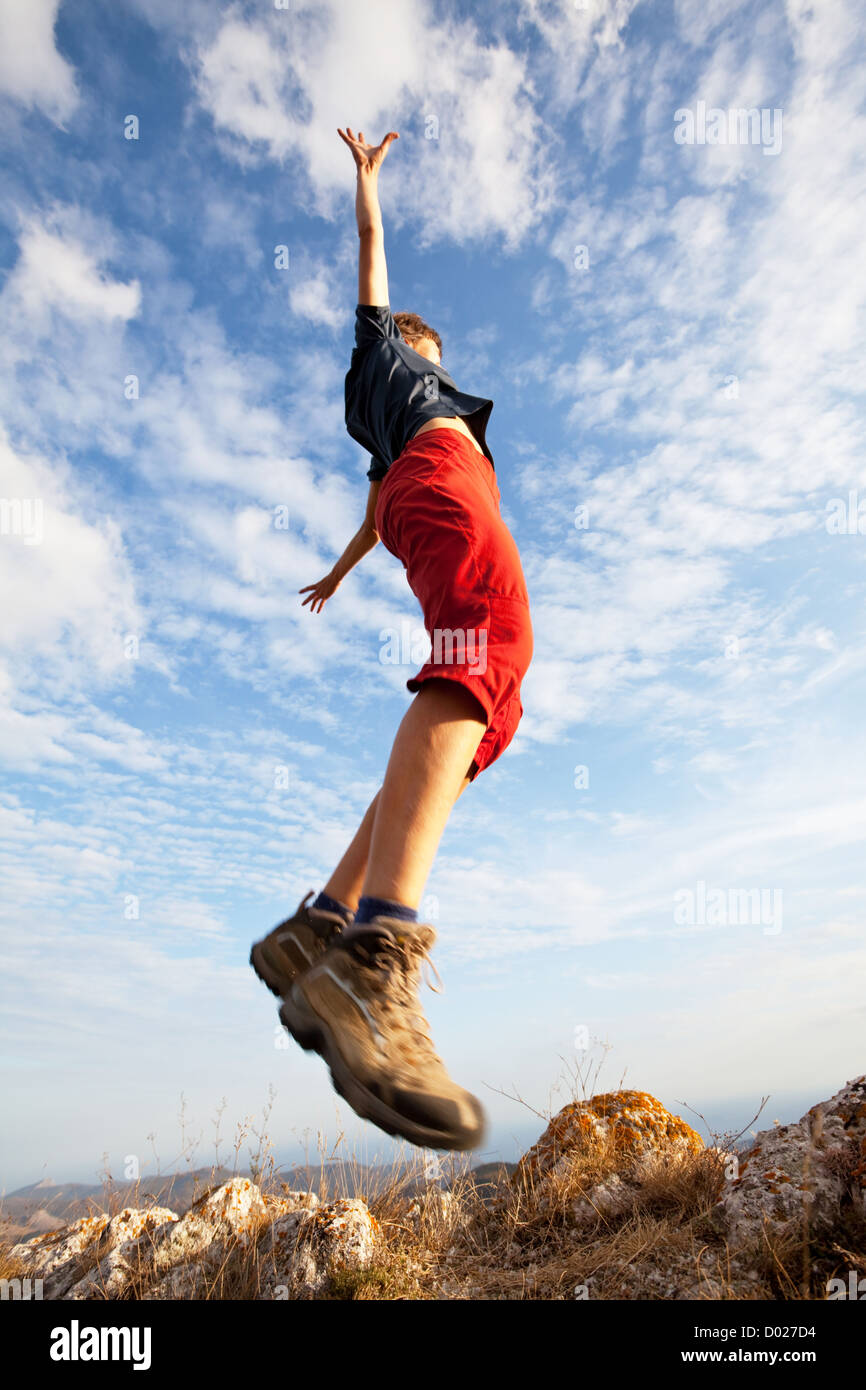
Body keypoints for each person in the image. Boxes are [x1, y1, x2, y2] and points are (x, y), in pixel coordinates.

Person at [250, 127, 533, 1151]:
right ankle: (373, 957)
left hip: (425, 500)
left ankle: (319, 926)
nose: (443, 370)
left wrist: (335, 570)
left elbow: (377, 517)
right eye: (435, 357)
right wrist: (367, 188)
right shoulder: (386, 356)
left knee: (469, 724)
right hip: (448, 496)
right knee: (487, 641)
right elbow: (370, 261)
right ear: (411, 347)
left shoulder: (385, 439)